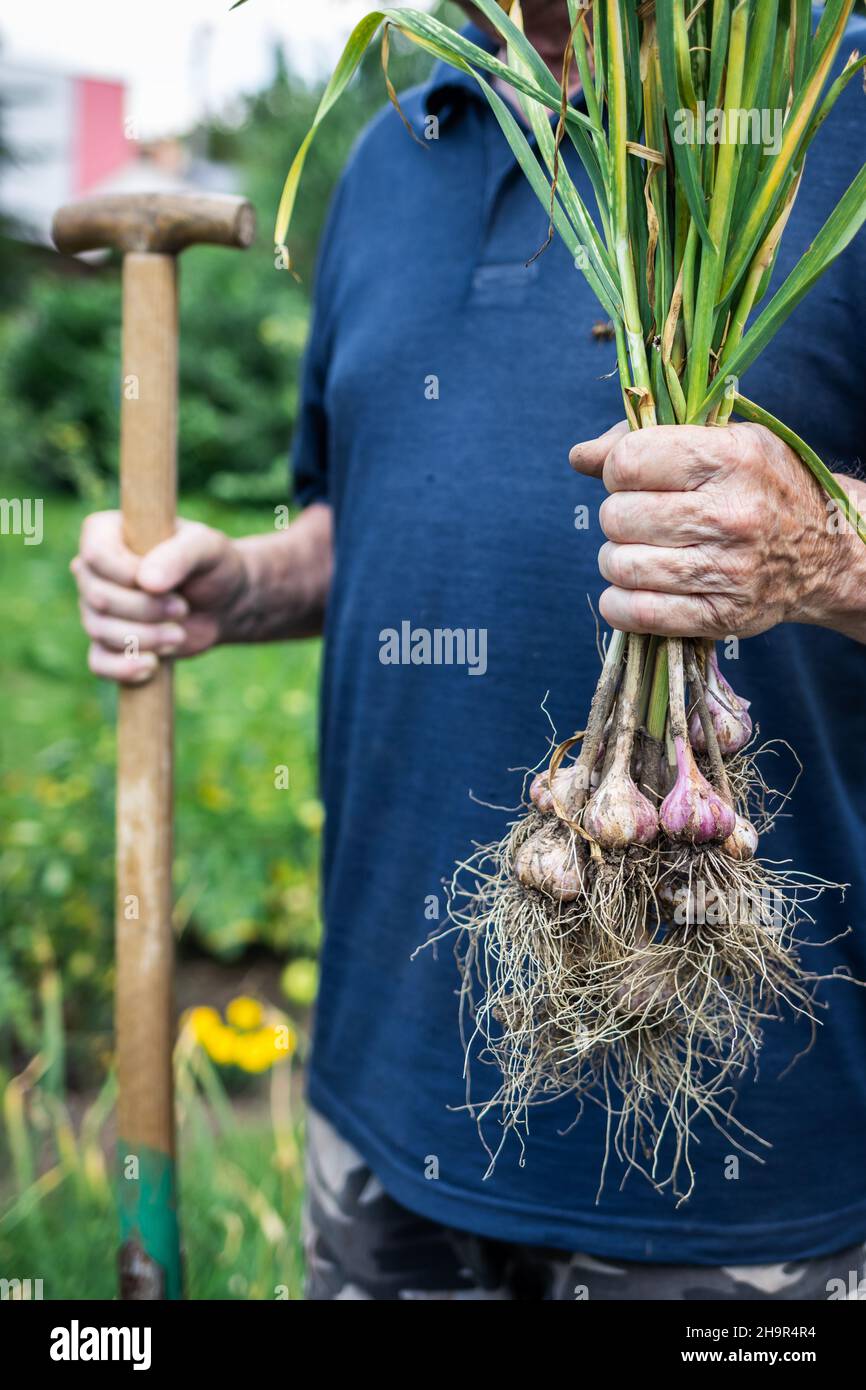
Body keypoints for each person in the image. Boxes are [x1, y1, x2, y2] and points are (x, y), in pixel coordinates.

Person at [72, 3, 866, 1300]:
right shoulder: (395, 144)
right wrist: (244, 581)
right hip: (387, 1118)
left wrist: (822, 549)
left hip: (757, 1162)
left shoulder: (832, 103)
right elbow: (367, 505)